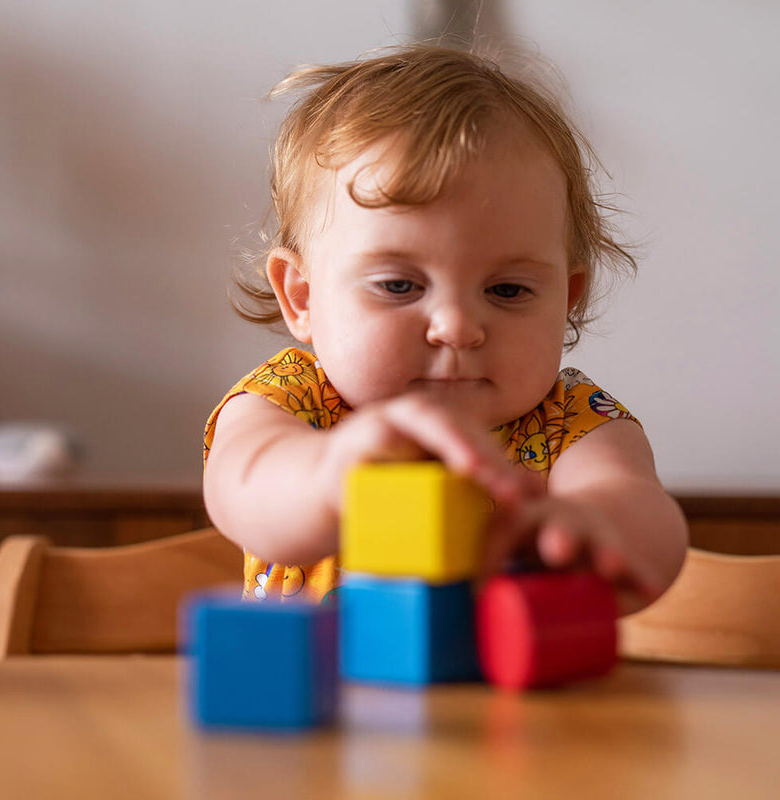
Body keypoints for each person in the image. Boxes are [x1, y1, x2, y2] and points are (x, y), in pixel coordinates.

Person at [202, 45, 688, 615]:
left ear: (566, 301)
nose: (457, 328)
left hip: (509, 675)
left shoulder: (574, 423)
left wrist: (588, 529)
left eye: (507, 290)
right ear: (301, 296)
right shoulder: (287, 400)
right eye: (399, 285)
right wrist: (330, 476)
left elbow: (645, 517)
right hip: (319, 674)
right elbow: (245, 491)